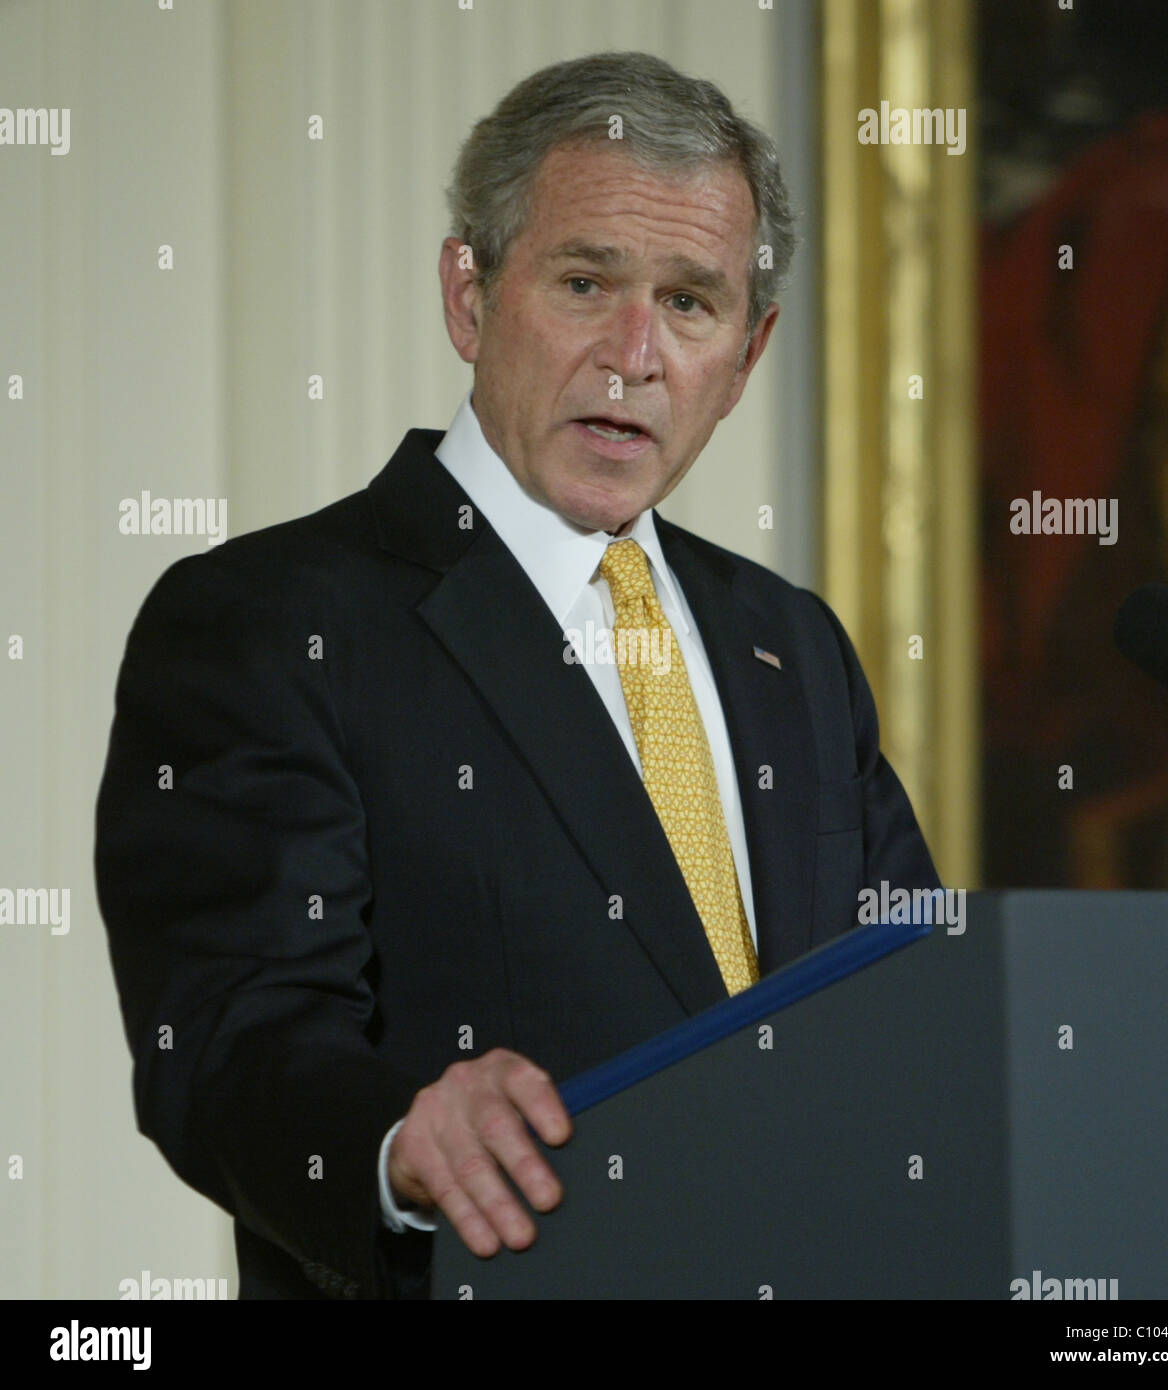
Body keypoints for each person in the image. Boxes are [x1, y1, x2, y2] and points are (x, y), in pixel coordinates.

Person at [94, 50, 940, 1301]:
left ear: (746, 355)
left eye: (690, 303)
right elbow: (224, 1036)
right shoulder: (267, 619)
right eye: (584, 280)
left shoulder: (790, 644)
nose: (632, 353)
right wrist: (396, 1137)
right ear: (468, 295)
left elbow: (910, 1000)